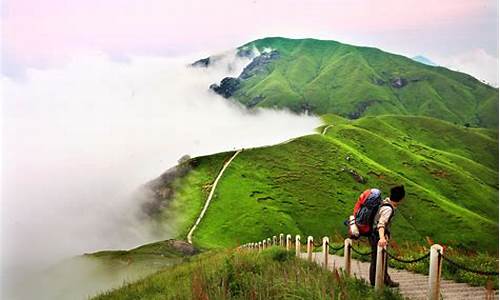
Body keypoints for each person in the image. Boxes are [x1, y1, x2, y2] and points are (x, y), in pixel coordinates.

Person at [369, 185, 405, 287]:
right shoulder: (388, 208)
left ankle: (378, 281)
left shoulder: (384, 203)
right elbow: (381, 224)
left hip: (373, 233)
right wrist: (382, 237)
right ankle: (380, 282)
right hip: (377, 235)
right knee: (379, 258)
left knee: (377, 258)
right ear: (401, 198)